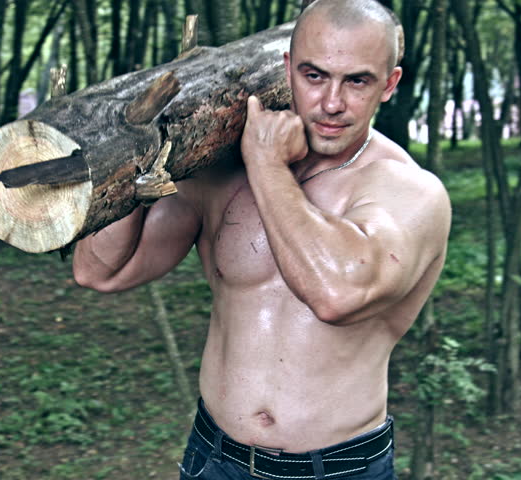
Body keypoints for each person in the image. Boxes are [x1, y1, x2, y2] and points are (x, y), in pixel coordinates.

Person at [72, 0, 451, 478]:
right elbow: (100, 271)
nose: (332, 102)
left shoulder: (410, 192)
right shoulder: (222, 170)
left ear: (390, 84)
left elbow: (337, 294)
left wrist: (268, 165)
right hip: (214, 457)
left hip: (335, 470)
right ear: (288, 68)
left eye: (356, 81)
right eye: (314, 76)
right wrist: (137, 163)